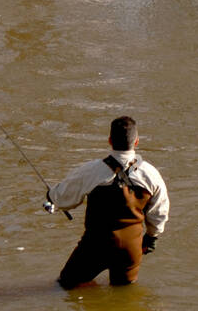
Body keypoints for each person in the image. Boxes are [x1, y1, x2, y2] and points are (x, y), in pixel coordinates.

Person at [48, 115, 169, 288]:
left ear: (110, 140)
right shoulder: (151, 174)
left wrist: (51, 196)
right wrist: (151, 238)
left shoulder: (90, 170)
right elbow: (159, 213)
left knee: (65, 285)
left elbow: (63, 199)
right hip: (131, 250)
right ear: (136, 142)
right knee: (124, 296)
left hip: (94, 248)